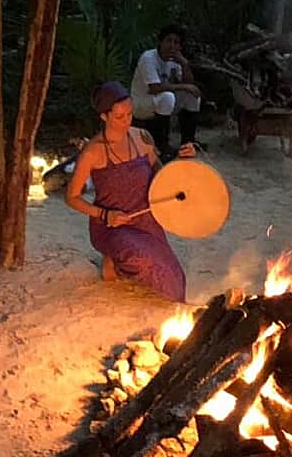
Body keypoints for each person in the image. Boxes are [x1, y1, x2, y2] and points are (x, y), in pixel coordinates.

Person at [66, 81, 196, 302]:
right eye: (119, 116)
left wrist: (180, 160)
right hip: (112, 226)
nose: (127, 121)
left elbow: (160, 176)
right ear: (104, 117)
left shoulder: (142, 138)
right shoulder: (93, 152)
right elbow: (72, 198)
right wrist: (105, 214)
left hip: (145, 220)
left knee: (175, 281)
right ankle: (114, 263)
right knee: (143, 259)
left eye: (129, 114)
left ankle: (118, 263)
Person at [130, 24, 203, 160]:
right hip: (142, 104)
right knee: (167, 97)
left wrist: (184, 63)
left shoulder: (175, 61)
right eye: (168, 41)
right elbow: (154, 88)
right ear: (160, 42)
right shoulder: (149, 58)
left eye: (176, 42)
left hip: (161, 103)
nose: (172, 46)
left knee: (192, 96)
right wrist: (184, 87)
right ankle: (162, 145)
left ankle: (188, 142)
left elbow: (189, 84)